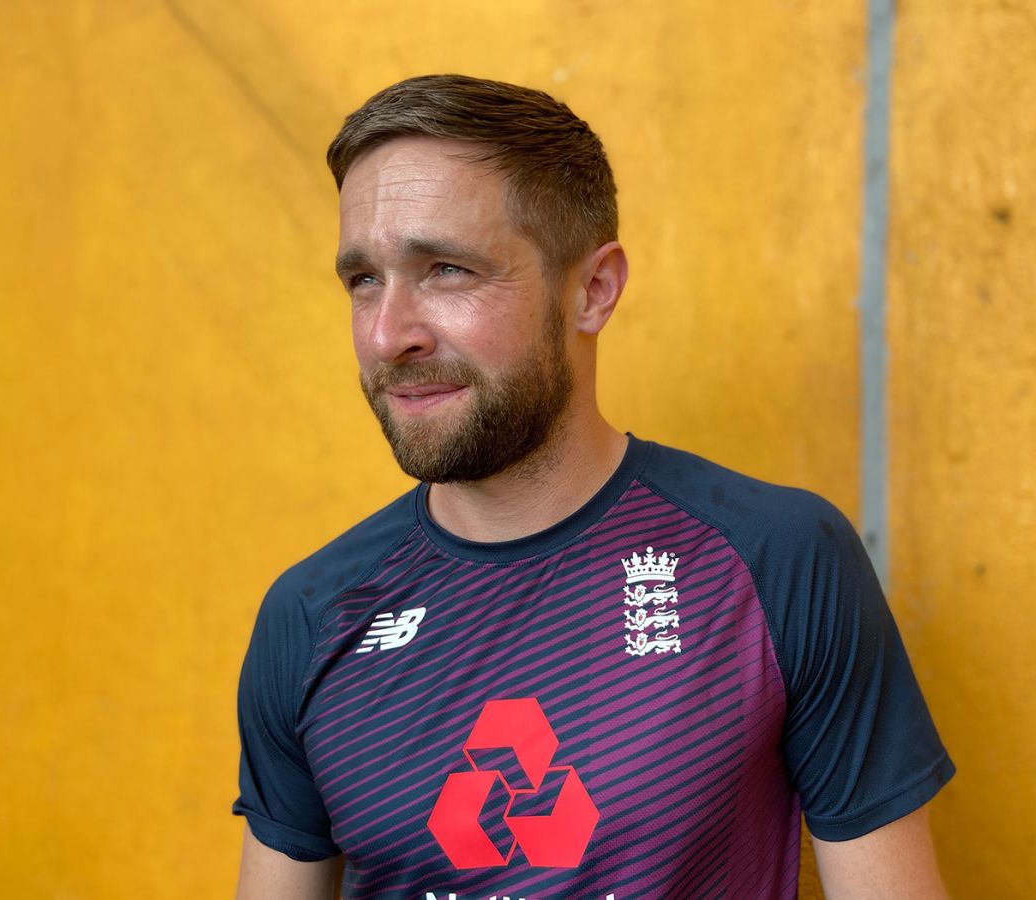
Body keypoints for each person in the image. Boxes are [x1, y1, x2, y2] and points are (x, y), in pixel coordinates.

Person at [232, 74, 954, 900]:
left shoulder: (776, 559)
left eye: (446, 270)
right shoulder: (312, 613)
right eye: (364, 280)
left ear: (593, 289)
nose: (389, 333)